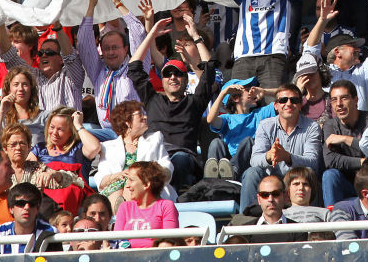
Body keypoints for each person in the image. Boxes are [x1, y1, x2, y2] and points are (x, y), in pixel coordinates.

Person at [128, 16, 217, 191]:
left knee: (179, 161)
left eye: (178, 74)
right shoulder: (152, 99)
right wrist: (151, 34)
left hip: (182, 160)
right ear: (162, 79)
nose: (173, 77)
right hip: (154, 159)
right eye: (168, 74)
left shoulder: (195, 102)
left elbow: (209, 68)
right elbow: (134, 66)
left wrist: (196, 36)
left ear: (186, 80)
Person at [77, 0, 149, 137]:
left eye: (115, 48)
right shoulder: (98, 70)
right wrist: (91, 6)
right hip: (108, 133)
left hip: (134, 132)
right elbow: (83, 42)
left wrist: (118, 3)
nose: (110, 52)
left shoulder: (136, 68)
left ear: (125, 49)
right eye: (106, 49)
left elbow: (139, 33)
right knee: (80, 135)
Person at [305, 0, 368, 111]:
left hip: (360, 129)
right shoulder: (322, 74)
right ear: (337, 52)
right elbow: (310, 50)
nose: (358, 50)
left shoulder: (363, 73)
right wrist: (322, 21)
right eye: (353, 46)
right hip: (329, 128)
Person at [240, 84, 322, 210]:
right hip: (271, 184)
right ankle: (246, 222)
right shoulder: (265, 125)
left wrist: (287, 157)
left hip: (298, 182)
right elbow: (254, 160)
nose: (288, 104)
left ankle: (311, 223)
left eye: (294, 100)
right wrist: (269, 156)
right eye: (283, 100)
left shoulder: (312, 127)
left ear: (300, 105)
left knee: (309, 174)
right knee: (251, 172)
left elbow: (313, 162)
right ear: (276, 106)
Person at [95, 100, 174, 211]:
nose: (145, 117)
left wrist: (148, 173)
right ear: (127, 121)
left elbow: (167, 167)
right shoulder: (107, 147)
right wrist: (119, 175)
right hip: (116, 189)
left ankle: (126, 213)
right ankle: (119, 217)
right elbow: (101, 180)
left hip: (146, 187)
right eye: (140, 115)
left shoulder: (154, 139)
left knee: (131, 183)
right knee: (117, 191)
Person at [320, 80, 368, 206]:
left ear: (355, 100)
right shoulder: (330, 125)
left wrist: (344, 139)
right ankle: (333, 222)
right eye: (334, 100)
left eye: (344, 98)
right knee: (329, 175)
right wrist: (362, 162)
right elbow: (330, 160)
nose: (339, 104)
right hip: (346, 183)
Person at [206, 77, 276, 181]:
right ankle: (212, 177)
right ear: (235, 98)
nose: (252, 91)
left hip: (248, 164)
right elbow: (210, 120)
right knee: (216, 143)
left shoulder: (260, 113)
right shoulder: (228, 119)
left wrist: (264, 92)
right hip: (226, 163)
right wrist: (223, 94)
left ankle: (233, 171)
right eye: (247, 90)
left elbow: (286, 94)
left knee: (248, 141)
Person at [0, 123, 83, 191]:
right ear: (5, 149)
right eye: (13, 144)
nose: (18, 148)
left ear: (29, 147)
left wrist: (56, 174)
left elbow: (75, 180)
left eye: (22, 143)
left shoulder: (38, 168)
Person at [113, 161, 178, 248]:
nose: (127, 185)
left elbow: (169, 241)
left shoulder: (166, 206)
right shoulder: (125, 207)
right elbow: (117, 240)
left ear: (146, 184)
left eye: (131, 180)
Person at [31, 107, 100, 182]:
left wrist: (78, 125)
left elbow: (94, 148)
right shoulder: (40, 148)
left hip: (74, 191)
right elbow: (27, 170)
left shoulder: (79, 148)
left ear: (71, 131)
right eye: (52, 127)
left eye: (60, 129)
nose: (54, 133)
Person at [0, 182, 56, 255]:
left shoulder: (51, 232)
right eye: (21, 203)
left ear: (37, 209)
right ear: (11, 209)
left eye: (32, 203)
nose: (27, 207)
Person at [0, 68, 47, 144]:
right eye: (16, 84)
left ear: (31, 89)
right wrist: (1, 112)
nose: (20, 89)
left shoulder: (44, 117)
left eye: (25, 84)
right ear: (9, 89)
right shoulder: (2, 117)